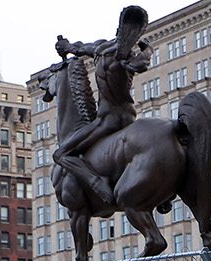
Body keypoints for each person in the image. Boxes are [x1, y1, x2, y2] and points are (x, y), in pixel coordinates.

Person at [53, 7, 152, 206]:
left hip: (107, 121)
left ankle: (96, 182)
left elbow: (140, 65)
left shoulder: (107, 52)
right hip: (125, 117)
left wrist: (147, 51)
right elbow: (79, 48)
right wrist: (66, 46)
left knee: (60, 154)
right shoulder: (110, 51)